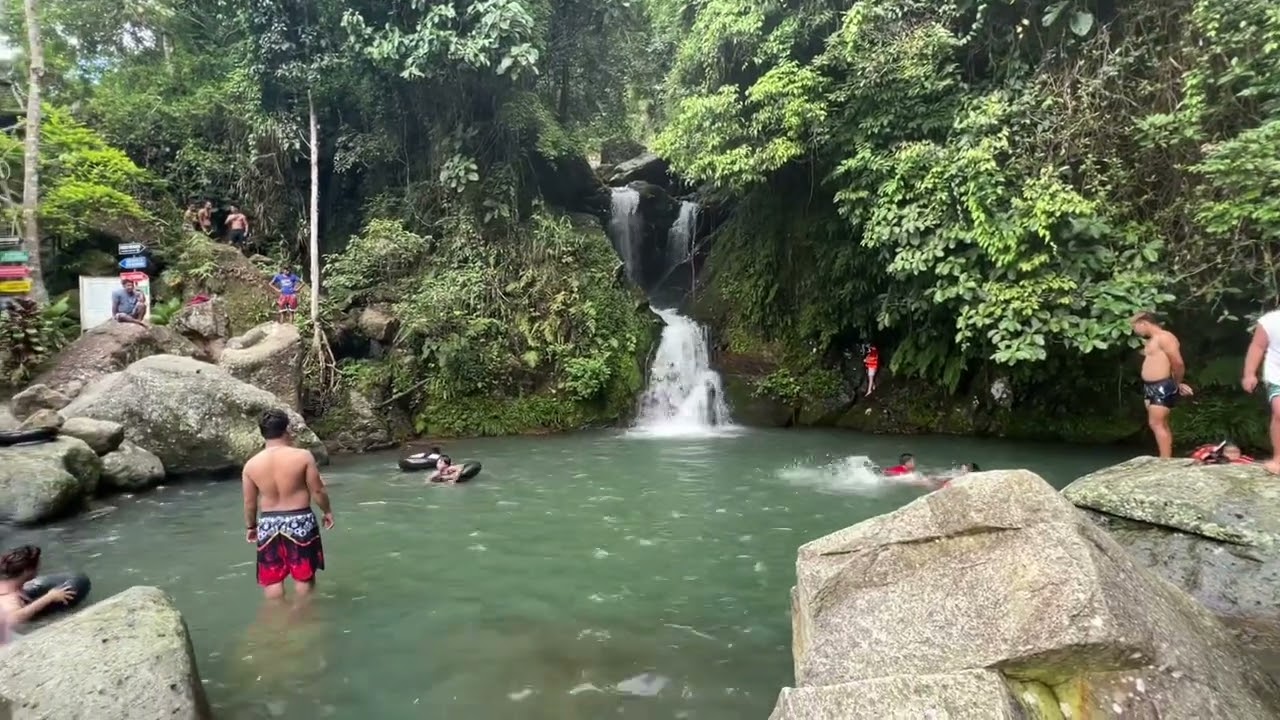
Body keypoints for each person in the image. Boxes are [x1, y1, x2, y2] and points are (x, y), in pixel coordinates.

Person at [242, 409, 334, 600]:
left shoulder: (251, 465)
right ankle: (302, 616)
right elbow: (317, 490)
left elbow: (250, 502)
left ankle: (276, 619)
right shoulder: (303, 456)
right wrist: (327, 511)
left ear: (262, 433)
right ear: (287, 430)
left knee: (272, 579)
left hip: (268, 523)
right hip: (299, 520)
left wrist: (251, 526)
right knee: (304, 577)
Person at [1131, 312, 1193, 459]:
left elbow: (1178, 363)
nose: (1134, 330)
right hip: (1150, 386)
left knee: (1156, 423)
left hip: (1162, 385)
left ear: (1144, 323)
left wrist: (1177, 383)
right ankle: (1165, 457)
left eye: (1135, 326)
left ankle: (1165, 460)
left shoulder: (1165, 337)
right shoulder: (1152, 340)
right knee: (1159, 424)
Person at [0, 545, 76, 640]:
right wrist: (49, 597)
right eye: (37, 566)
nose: (39, 568)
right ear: (27, 571)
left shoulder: (10, 586)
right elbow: (13, 620)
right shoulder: (10, 598)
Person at [1242, 309, 1280, 474]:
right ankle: (1279, 459)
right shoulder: (1270, 321)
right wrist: (1249, 374)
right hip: (1277, 375)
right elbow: (1257, 347)